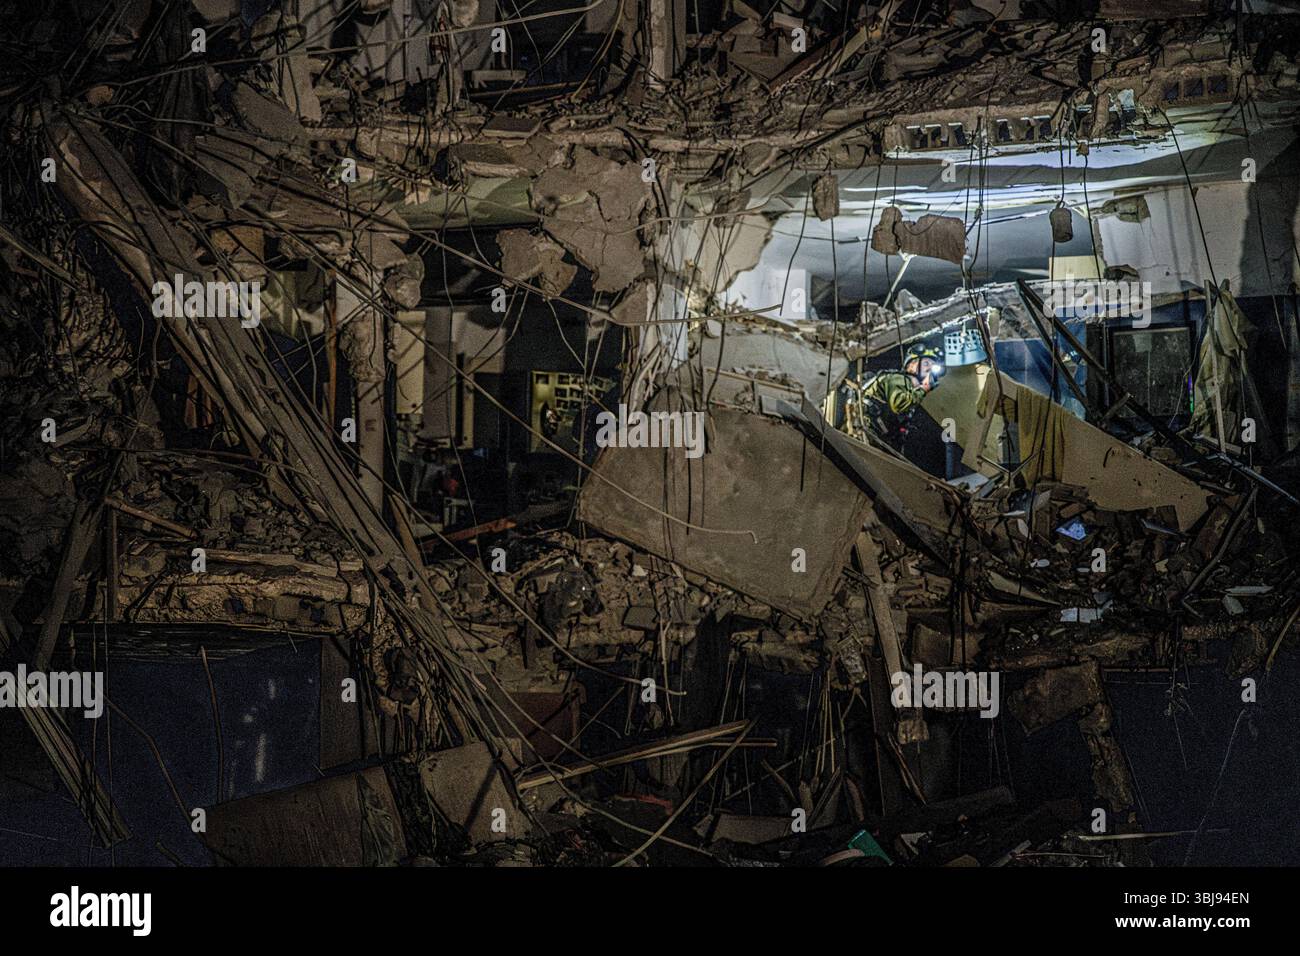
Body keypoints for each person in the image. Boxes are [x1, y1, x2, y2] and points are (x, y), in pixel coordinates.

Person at [853, 344, 945, 449]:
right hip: (865, 433)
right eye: (926, 363)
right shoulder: (897, 379)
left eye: (932, 365)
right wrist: (924, 388)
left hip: (879, 438)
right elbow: (898, 404)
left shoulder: (910, 391)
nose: (930, 368)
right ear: (911, 365)